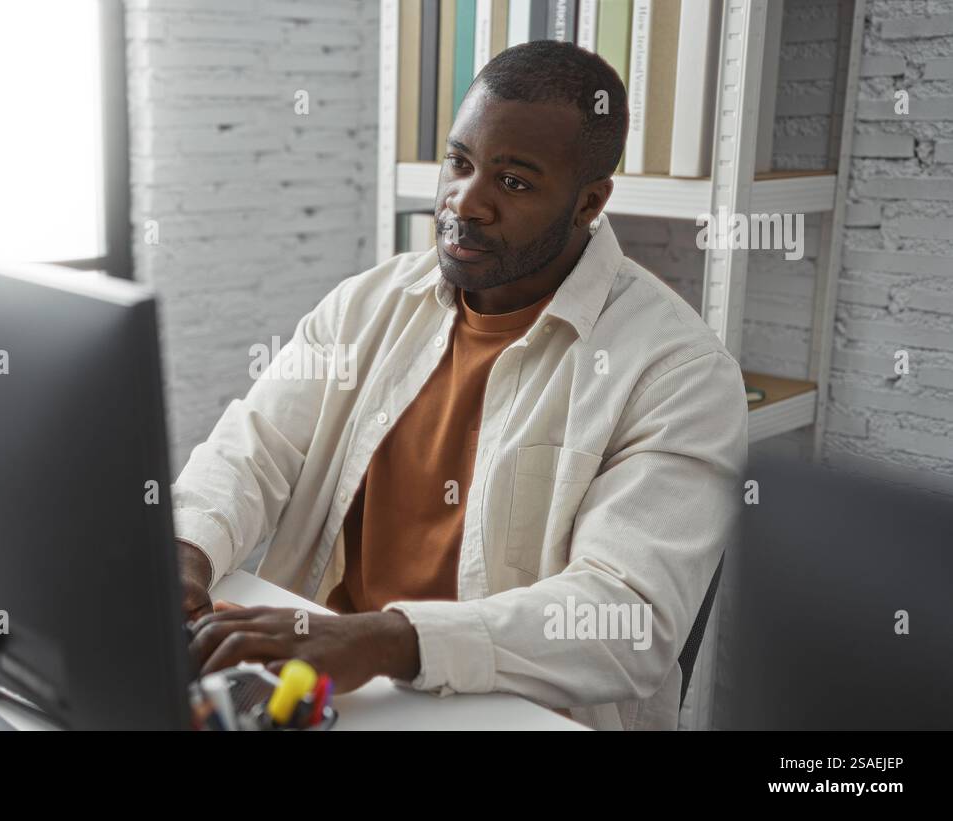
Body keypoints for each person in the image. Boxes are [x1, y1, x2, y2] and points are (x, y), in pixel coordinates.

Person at [175, 41, 747, 730]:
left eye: (513, 182)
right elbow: (252, 450)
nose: (465, 203)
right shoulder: (370, 303)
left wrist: (386, 639)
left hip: (509, 711)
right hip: (327, 691)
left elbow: (624, 614)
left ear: (589, 201)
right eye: (460, 162)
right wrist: (184, 555)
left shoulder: (678, 372)